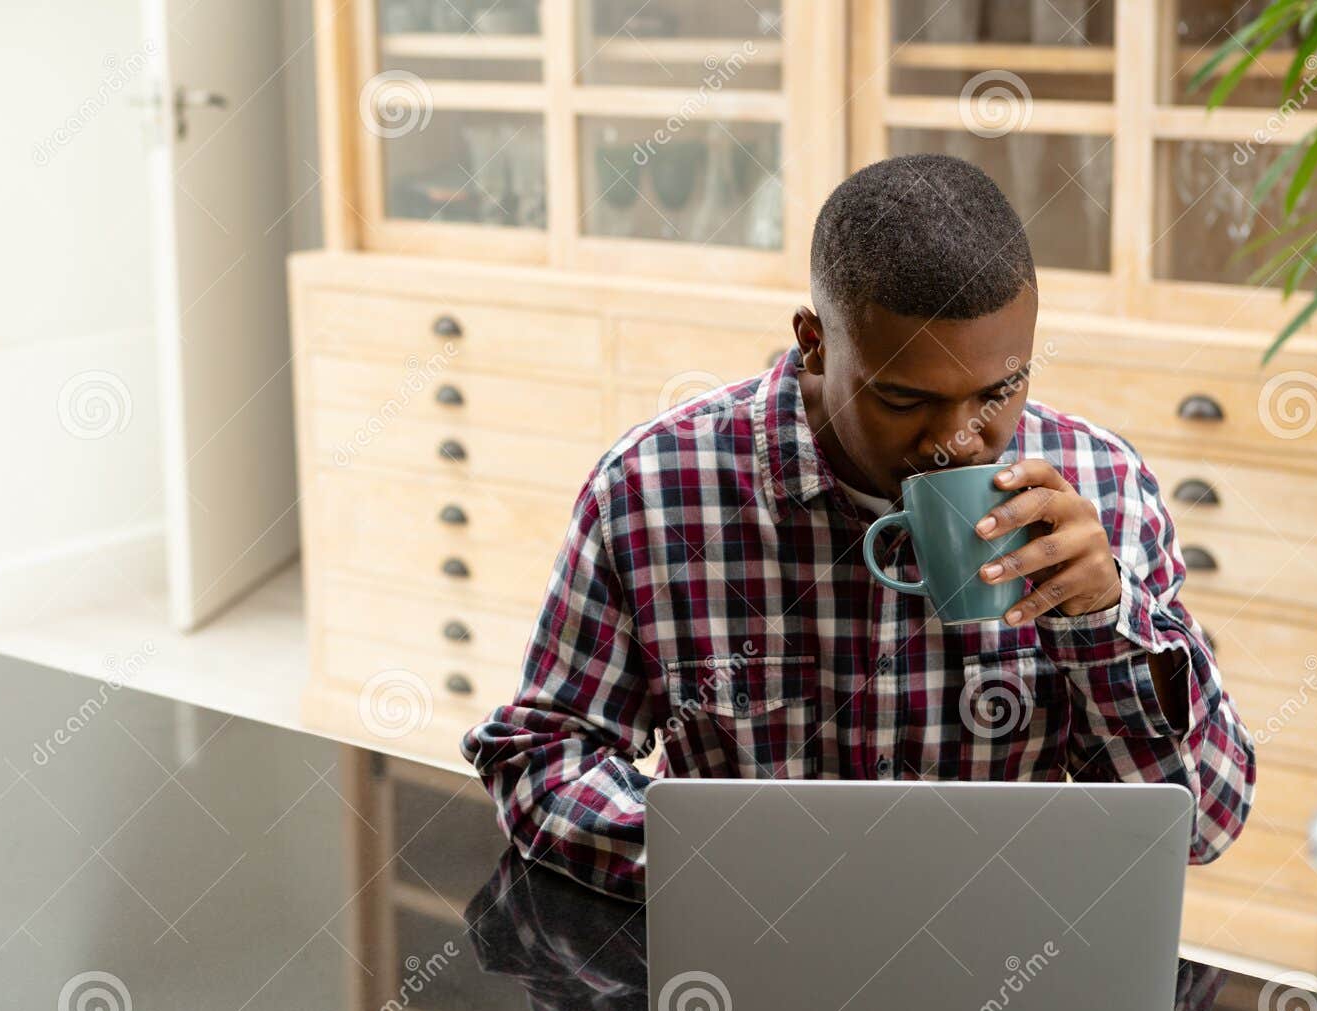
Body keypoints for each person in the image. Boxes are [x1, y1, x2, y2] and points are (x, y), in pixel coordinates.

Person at [459, 153, 1255, 900]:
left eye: (1000, 390)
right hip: (740, 968)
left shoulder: (1103, 489)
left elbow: (1202, 826)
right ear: (814, 341)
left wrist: (1106, 619)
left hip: (1007, 971)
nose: (960, 438)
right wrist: (727, 872)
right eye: (905, 399)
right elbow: (543, 759)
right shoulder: (652, 490)